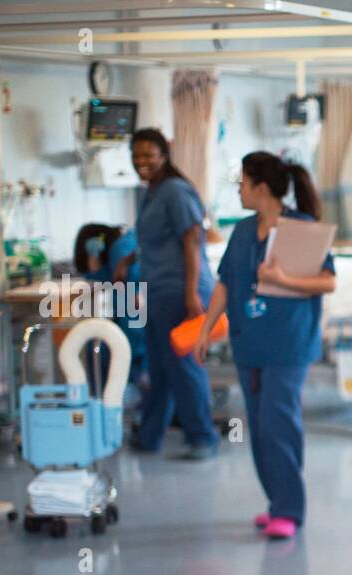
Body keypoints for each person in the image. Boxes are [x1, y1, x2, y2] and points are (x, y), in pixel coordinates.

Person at [193, 153, 336, 541]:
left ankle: (290, 509)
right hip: (248, 341)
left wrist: (283, 278)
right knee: (257, 427)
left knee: (278, 424)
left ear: (261, 188)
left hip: (288, 342)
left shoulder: (301, 228)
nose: (238, 189)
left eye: (242, 182)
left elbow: (327, 282)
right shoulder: (241, 231)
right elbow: (224, 283)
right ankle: (276, 504)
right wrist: (206, 329)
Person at [122, 128, 219, 459]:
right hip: (158, 290)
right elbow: (156, 239)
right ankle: (150, 436)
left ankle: (203, 438)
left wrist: (191, 293)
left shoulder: (175, 191)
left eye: (148, 154)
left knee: (184, 364)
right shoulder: (152, 192)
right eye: (136, 155)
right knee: (160, 367)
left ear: (164, 155)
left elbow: (191, 241)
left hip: (181, 290)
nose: (141, 161)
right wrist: (129, 259)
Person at [72, 223, 145, 386]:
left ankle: (105, 399)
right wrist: (94, 257)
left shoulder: (120, 248)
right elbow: (102, 278)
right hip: (133, 320)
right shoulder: (121, 245)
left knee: (98, 349)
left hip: (135, 325)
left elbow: (129, 287)